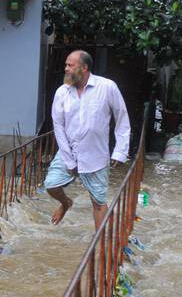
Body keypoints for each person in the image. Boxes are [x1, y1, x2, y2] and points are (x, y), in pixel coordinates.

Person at [45, 50, 131, 227]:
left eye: (71, 65)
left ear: (84, 68)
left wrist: (120, 152)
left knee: (98, 202)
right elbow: (58, 127)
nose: (66, 69)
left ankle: (101, 247)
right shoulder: (62, 92)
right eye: (66, 65)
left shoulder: (107, 87)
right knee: (51, 185)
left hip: (95, 155)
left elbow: (122, 118)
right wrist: (68, 160)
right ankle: (66, 203)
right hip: (68, 151)